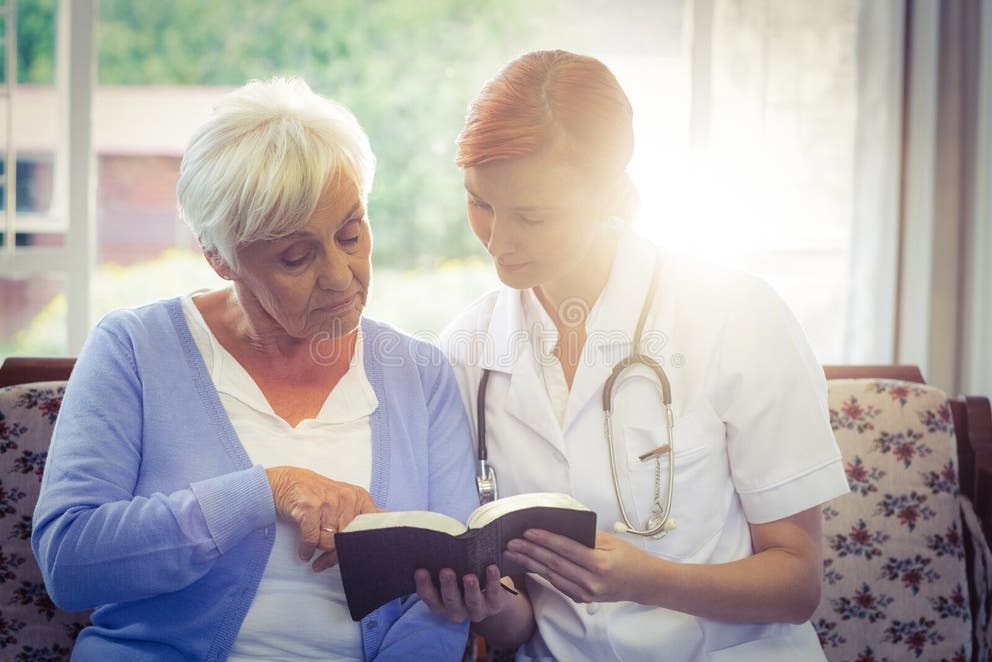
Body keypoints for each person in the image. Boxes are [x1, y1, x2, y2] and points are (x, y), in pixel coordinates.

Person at [422, 50, 851, 660]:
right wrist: (491, 606)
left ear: (609, 193)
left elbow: (797, 585)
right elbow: (519, 624)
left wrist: (642, 577)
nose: (497, 240)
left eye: (532, 216)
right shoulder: (468, 349)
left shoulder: (736, 313)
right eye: (480, 204)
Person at [32, 77, 478, 661]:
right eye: (296, 256)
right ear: (219, 256)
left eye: (351, 233)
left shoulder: (419, 373)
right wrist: (265, 490)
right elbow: (70, 564)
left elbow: (443, 603)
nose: (341, 276)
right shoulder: (134, 349)